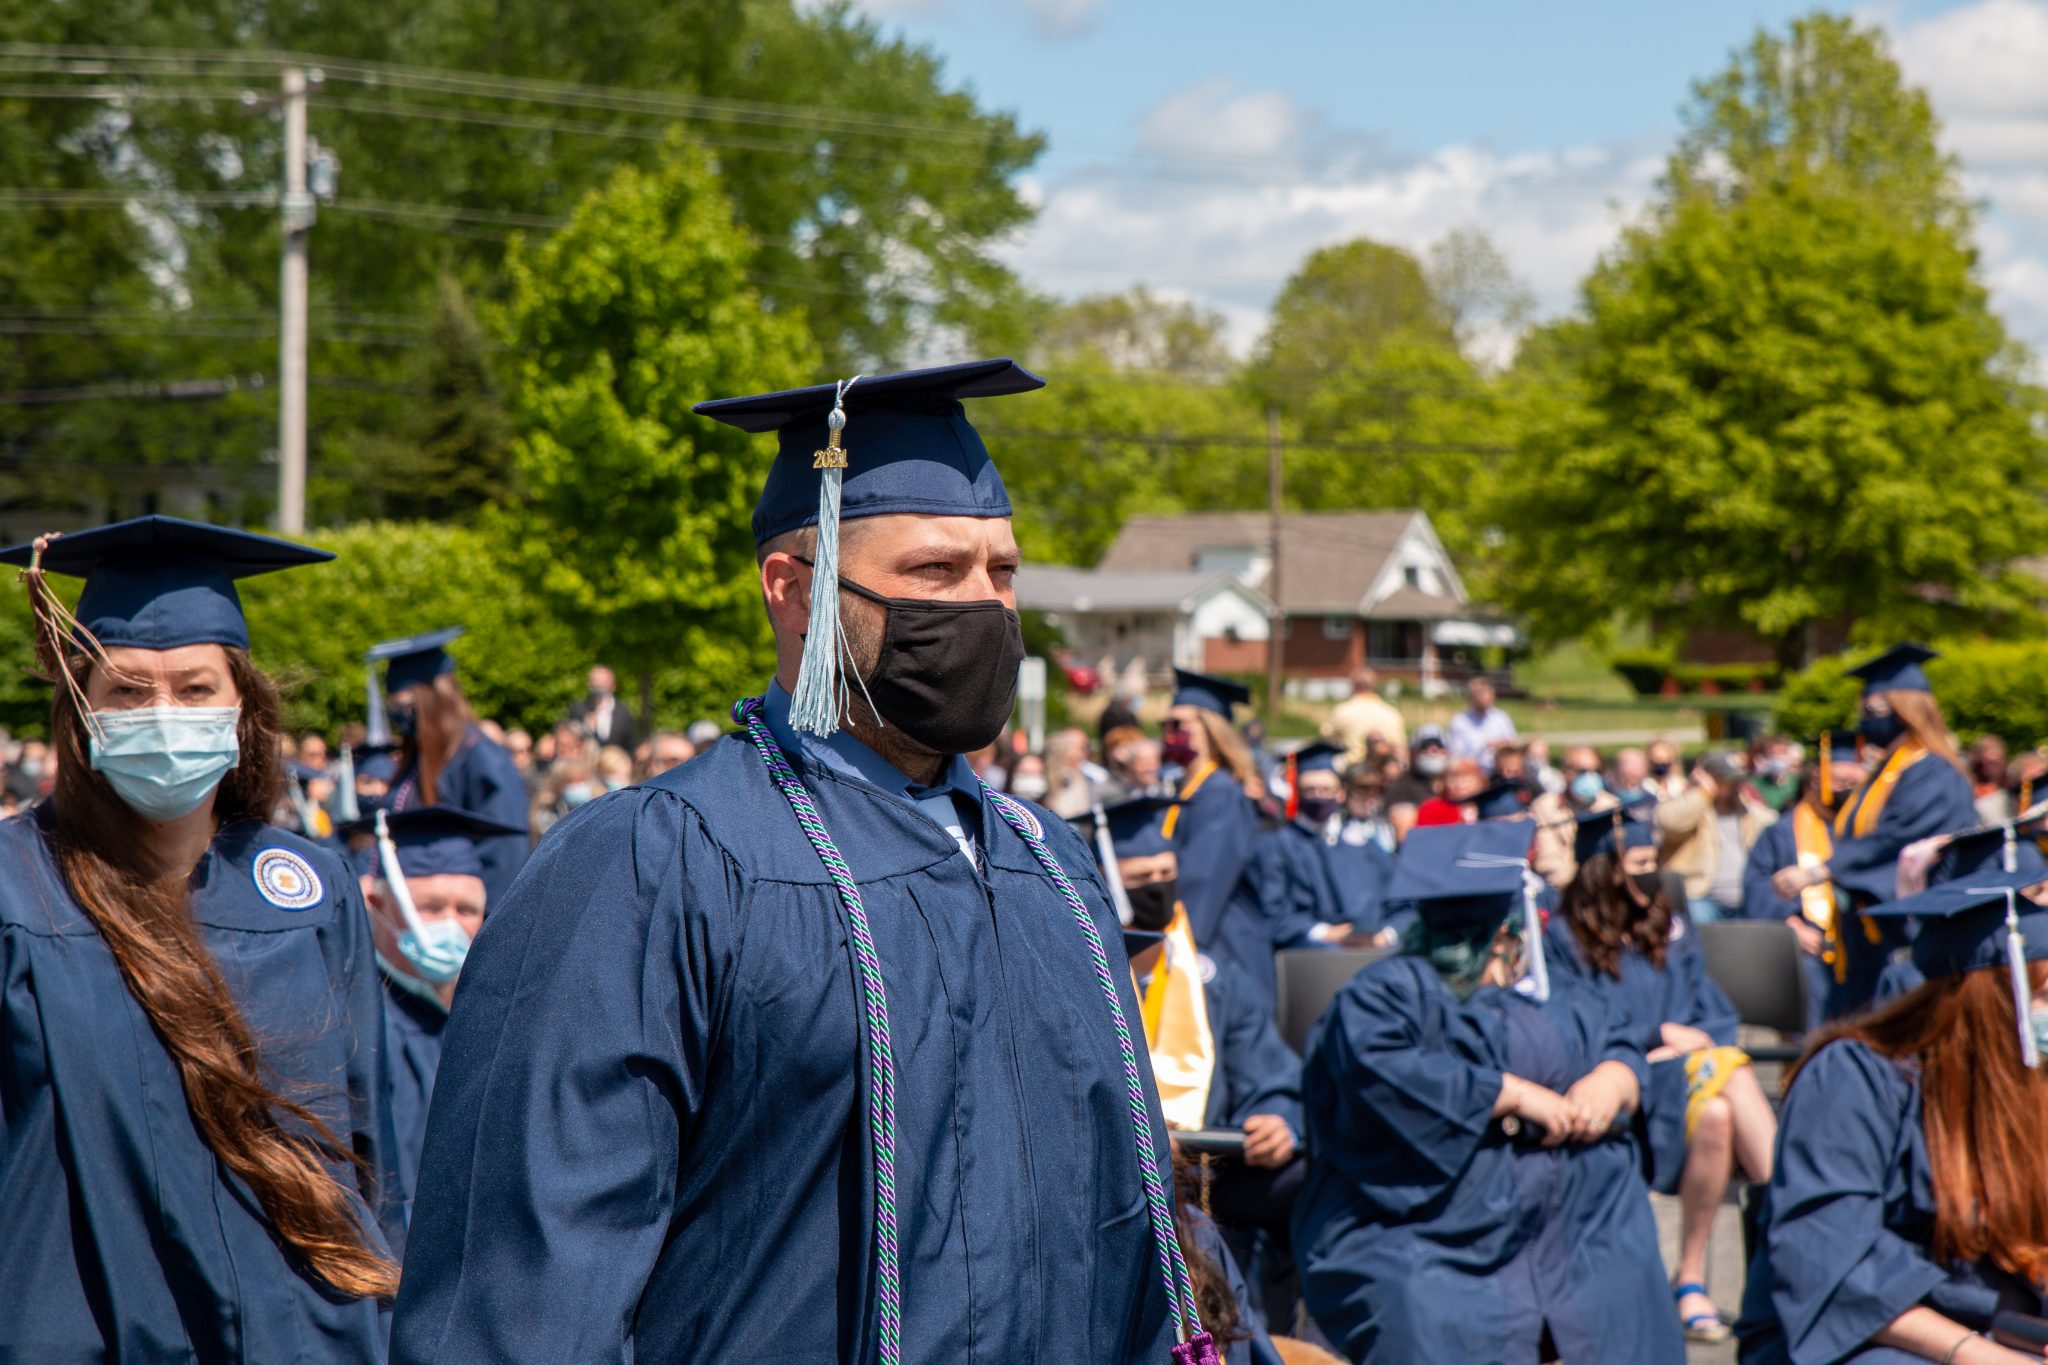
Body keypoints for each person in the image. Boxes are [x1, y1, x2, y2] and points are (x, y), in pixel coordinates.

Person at [390, 359, 1207, 1363]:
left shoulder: (1052, 870)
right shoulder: (661, 865)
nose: (985, 610)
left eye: (1002, 574)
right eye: (933, 574)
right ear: (793, 590)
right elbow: (529, 1292)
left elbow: (1128, 1240)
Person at [0, 516, 401, 1360]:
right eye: (127, 691)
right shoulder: (14, 889)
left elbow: (372, 1146)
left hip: (307, 1337)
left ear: (241, 705)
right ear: (81, 709)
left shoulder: (308, 889)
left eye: (193, 689)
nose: (163, 714)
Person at [1292, 821, 1684, 1364]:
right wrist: (1509, 1094)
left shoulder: (1551, 994)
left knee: (1624, 1291)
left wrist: (1613, 1080)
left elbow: (1619, 1036)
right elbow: (1379, 1066)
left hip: (1578, 1220)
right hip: (1434, 1229)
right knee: (1432, 1310)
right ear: (1506, 933)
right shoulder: (1390, 991)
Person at [1735, 870, 2048, 1365]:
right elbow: (1834, 1267)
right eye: (2044, 996)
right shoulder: (1854, 1080)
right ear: (1986, 1000)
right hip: (1871, 1337)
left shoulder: (2030, 1086)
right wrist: (1978, 1354)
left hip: (2001, 1329)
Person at [1547, 807, 1778, 1345]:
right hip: (1629, 1077)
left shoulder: (1667, 922)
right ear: (1605, 869)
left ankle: (1691, 1275)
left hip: (1694, 1073)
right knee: (1730, 1074)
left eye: (1655, 860)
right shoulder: (1565, 937)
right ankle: (1783, 1217)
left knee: (1720, 1110)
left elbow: (1709, 1006)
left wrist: (1692, 1039)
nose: (1654, 874)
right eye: (1641, 861)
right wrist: (1655, 1037)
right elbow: (1576, 1020)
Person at [1085, 796, 1307, 1325]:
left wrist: (1279, 1116)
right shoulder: (1077, 970)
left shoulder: (1213, 976)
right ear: (1105, 879)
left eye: (1167, 872)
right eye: (1141, 876)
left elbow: (1268, 1068)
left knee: (1307, 1177)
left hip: (1213, 1173)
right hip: (1112, 1177)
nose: (1159, 887)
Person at [1770, 644, 1978, 1018]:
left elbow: (1898, 838)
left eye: (1873, 710)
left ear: (1904, 710)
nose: (1865, 720)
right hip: (1873, 932)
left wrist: (1823, 870)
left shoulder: (1933, 772)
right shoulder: (1890, 769)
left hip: (1911, 932)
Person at [343, 804, 525, 1223]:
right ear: (376, 903)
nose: (450, 925)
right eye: (430, 907)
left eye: (466, 910)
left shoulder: (492, 1018)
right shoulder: (358, 1026)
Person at [365, 626, 533, 907]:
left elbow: (504, 855)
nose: (399, 717)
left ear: (432, 699)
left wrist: (482, 929)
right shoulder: (419, 761)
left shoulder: (481, 759)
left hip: (459, 923)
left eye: (406, 705)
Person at [1164, 666, 1294, 1012]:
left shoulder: (1221, 792)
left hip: (1223, 946)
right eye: (1167, 725)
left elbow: (1202, 879)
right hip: (1204, 941)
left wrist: (1173, 944)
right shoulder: (1188, 789)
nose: (1170, 734)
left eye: (1181, 725)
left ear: (1210, 730)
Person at [1741, 734, 1869, 1032]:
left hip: (1864, 944)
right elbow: (1757, 885)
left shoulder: (1870, 829)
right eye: (1839, 783)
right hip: (1809, 948)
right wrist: (1791, 926)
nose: (1846, 791)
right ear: (1816, 779)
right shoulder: (1784, 832)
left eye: (1854, 785)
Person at [1655, 750, 1777, 922]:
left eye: (1738, 781)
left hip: (1745, 898)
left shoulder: (1745, 809)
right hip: (1700, 897)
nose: (1735, 786)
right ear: (1710, 778)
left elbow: (1773, 822)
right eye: (1728, 781)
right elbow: (1669, 821)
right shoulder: (1692, 806)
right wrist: (1702, 792)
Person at [1529, 743, 1617, 889]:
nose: (1591, 777)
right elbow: (1548, 861)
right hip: (1562, 891)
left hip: (1605, 889)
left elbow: (1616, 856)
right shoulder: (1545, 807)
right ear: (1566, 773)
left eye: (1596, 771)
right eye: (1583, 771)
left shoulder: (1611, 806)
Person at [1321, 666, 1406, 769]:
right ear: (1375, 686)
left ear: (1353, 685)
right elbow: (1399, 747)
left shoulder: (1342, 710)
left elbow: (1326, 739)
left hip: (1350, 768)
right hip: (1381, 769)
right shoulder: (1391, 712)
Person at [1445, 676, 1516, 772]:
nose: (1484, 697)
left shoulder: (1501, 718)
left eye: (1488, 693)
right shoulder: (1460, 721)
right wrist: (1484, 746)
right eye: (1479, 693)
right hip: (1471, 770)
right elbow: (1456, 752)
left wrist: (1501, 745)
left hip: (1499, 769)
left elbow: (1512, 743)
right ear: (1470, 697)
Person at [564, 664, 639, 753]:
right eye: (596, 682)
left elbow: (631, 744)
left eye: (603, 682)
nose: (599, 686)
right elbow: (567, 738)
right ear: (589, 684)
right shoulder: (578, 709)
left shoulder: (624, 712)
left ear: (613, 685)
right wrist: (586, 728)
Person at [1414, 757, 1484, 827]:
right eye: (1452, 777)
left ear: (1479, 780)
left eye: (1466, 777)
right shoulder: (1432, 809)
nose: (1459, 784)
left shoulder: (1487, 806)